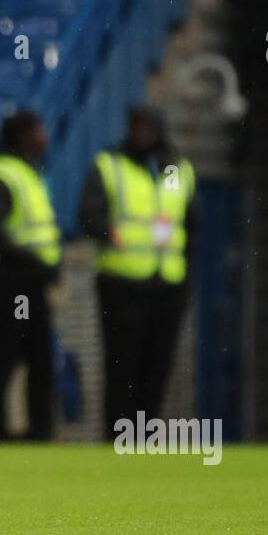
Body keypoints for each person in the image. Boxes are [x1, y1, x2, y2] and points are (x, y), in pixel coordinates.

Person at [78, 104, 197, 437]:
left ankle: (145, 437)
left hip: (168, 283)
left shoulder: (178, 169)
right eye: (138, 127)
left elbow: (193, 225)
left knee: (157, 367)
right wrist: (107, 231)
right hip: (122, 283)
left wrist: (188, 274)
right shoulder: (109, 165)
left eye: (149, 128)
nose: (143, 134)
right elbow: (87, 215)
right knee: (121, 365)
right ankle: (117, 436)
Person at [0, 110, 61, 440]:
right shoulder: (5, 173)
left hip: (32, 282)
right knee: (3, 361)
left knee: (39, 361)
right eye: (37, 129)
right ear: (20, 135)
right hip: (9, 282)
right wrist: (31, 260)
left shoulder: (30, 172)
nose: (43, 136)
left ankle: (40, 433)